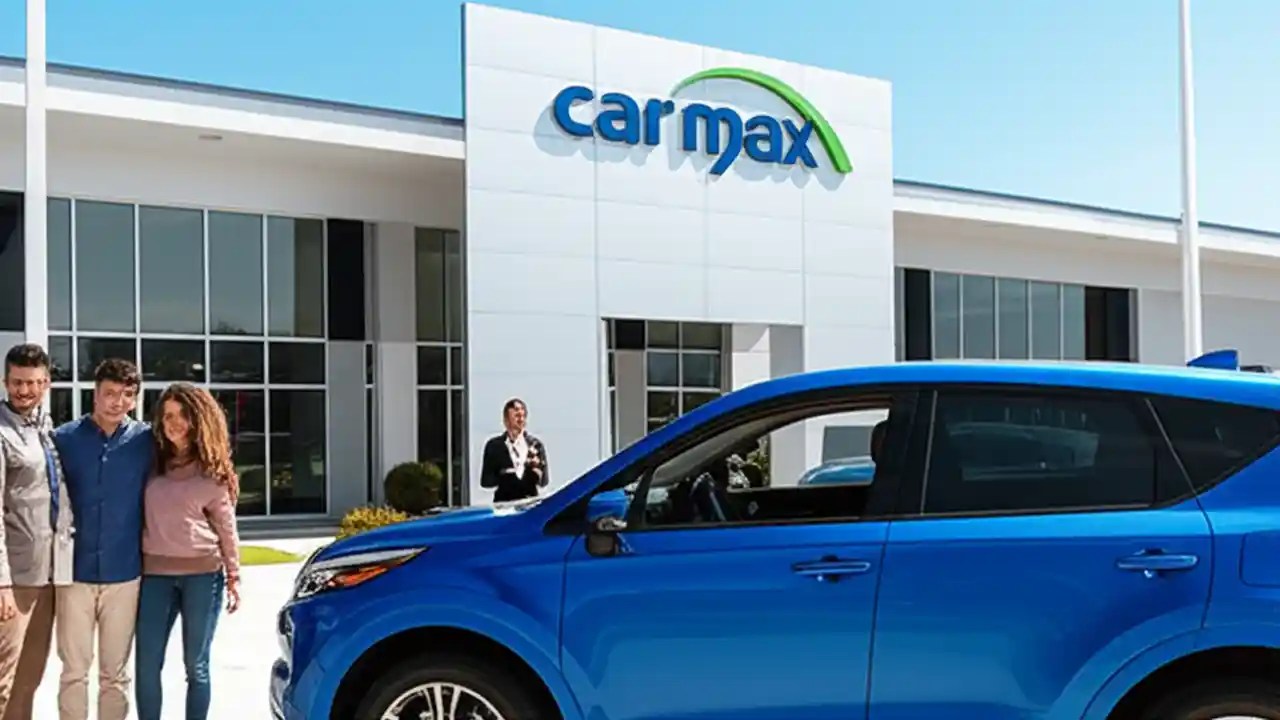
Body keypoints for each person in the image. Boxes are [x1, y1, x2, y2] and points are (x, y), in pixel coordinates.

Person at [52, 358, 153, 720]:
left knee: (115, 675)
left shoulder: (147, 441)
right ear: (94, 394)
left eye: (127, 395)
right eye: (110, 393)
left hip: (125, 574)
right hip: (74, 574)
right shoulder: (63, 439)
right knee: (74, 672)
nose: (118, 402)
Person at [134, 382, 240, 720]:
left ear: (198, 420)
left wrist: (235, 576)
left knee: (196, 665)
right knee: (147, 663)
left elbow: (227, 529)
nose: (173, 422)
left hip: (203, 577)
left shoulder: (212, 471)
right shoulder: (152, 463)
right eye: (167, 416)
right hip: (155, 577)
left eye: (182, 415)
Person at [0, 343, 74, 720]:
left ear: (45, 382)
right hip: (14, 580)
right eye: (16, 382)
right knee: (3, 679)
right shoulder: (1, 432)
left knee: (30, 678)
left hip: (49, 575)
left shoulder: (47, 429)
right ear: (5, 381)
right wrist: (2, 584)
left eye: (32, 382)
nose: (23, 390)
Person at [479, 398, 550, 502]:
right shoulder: (494, 446)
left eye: (523, 416)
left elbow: (544, 481)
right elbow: (486, 481)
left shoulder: (536, 445)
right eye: (516, 416)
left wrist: (535, 471)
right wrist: (506, 474)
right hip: (504, 503)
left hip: (530, 503)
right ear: (506, 420)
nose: (520, 420)